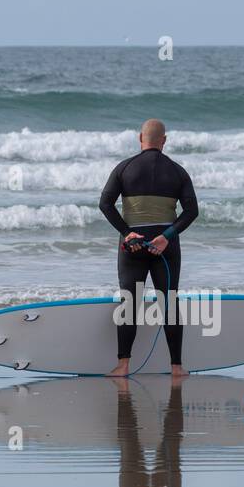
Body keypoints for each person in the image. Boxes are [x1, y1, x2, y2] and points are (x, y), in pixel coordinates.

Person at [99, 119, 199, 377]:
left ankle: (123, 365)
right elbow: (191, 211)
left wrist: (126, 232)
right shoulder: (178, 171)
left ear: (139, 138)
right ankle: (177, 367)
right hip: (165, 246)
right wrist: (167, 235)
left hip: (132, 246)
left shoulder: (125, 168)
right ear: (164, 141)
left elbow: (105, 204)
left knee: (129, 302)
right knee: (169, 302)